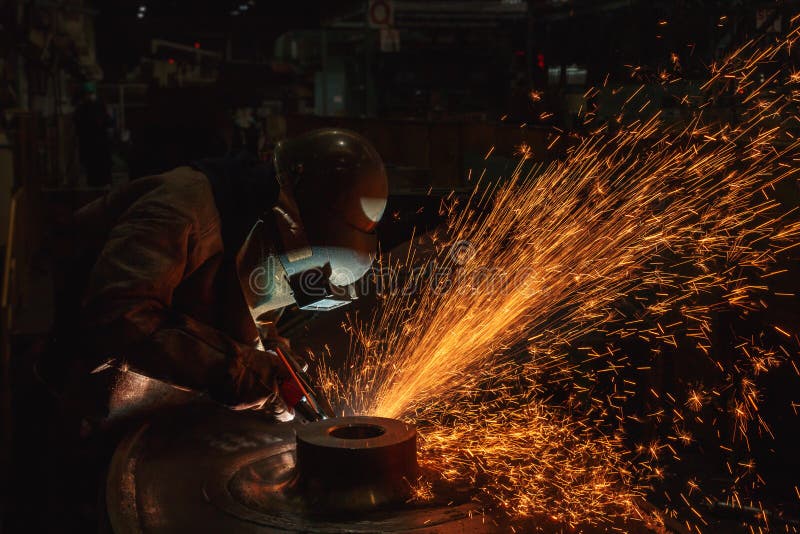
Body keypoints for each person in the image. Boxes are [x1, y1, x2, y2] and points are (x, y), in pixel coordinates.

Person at [74, 81, 113, 187]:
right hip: (94, 145)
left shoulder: (88, 107)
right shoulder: (87, 108)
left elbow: (108, 122)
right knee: (96, 172)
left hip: (95, 145)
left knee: (96, 173)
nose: (89, 96)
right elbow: (108, 122)